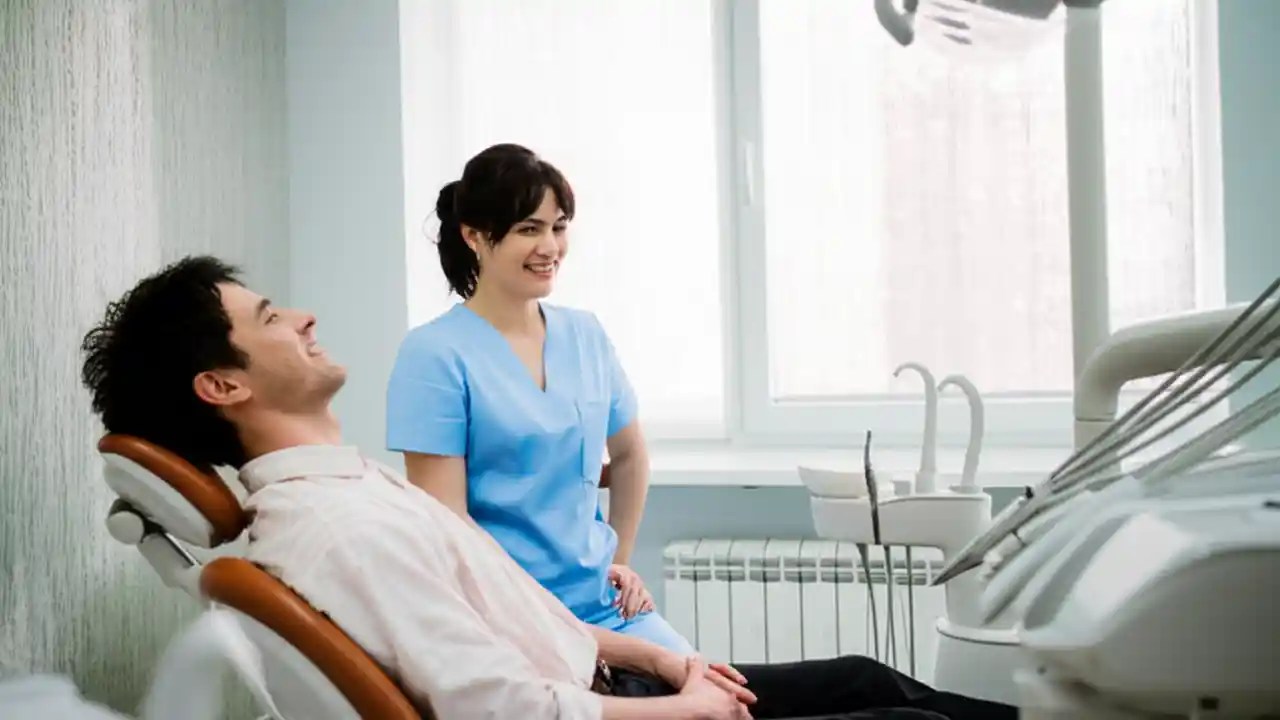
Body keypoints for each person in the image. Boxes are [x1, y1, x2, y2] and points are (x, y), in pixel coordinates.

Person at [80, 256, 1018, 720]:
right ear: (224, 386)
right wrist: (682, 708)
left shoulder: (351, 483)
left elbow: (505, 616)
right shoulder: (333, 534)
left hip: (607, 675)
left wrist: (654, 661)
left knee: (863, 677)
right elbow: (501, 708)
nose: (306, 316)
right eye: (271, 317)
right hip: (597, 711)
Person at [384, 144, 687, 651]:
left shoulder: (585, 334)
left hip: (606, 606)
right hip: (509, 621)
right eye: (529, 229)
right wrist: (543, 625)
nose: (550, 246)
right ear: (474, 236)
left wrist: (621, 560)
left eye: (559, 226)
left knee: (726, 696)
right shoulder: (433, 355)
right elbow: (450, 530)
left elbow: (631, 455)